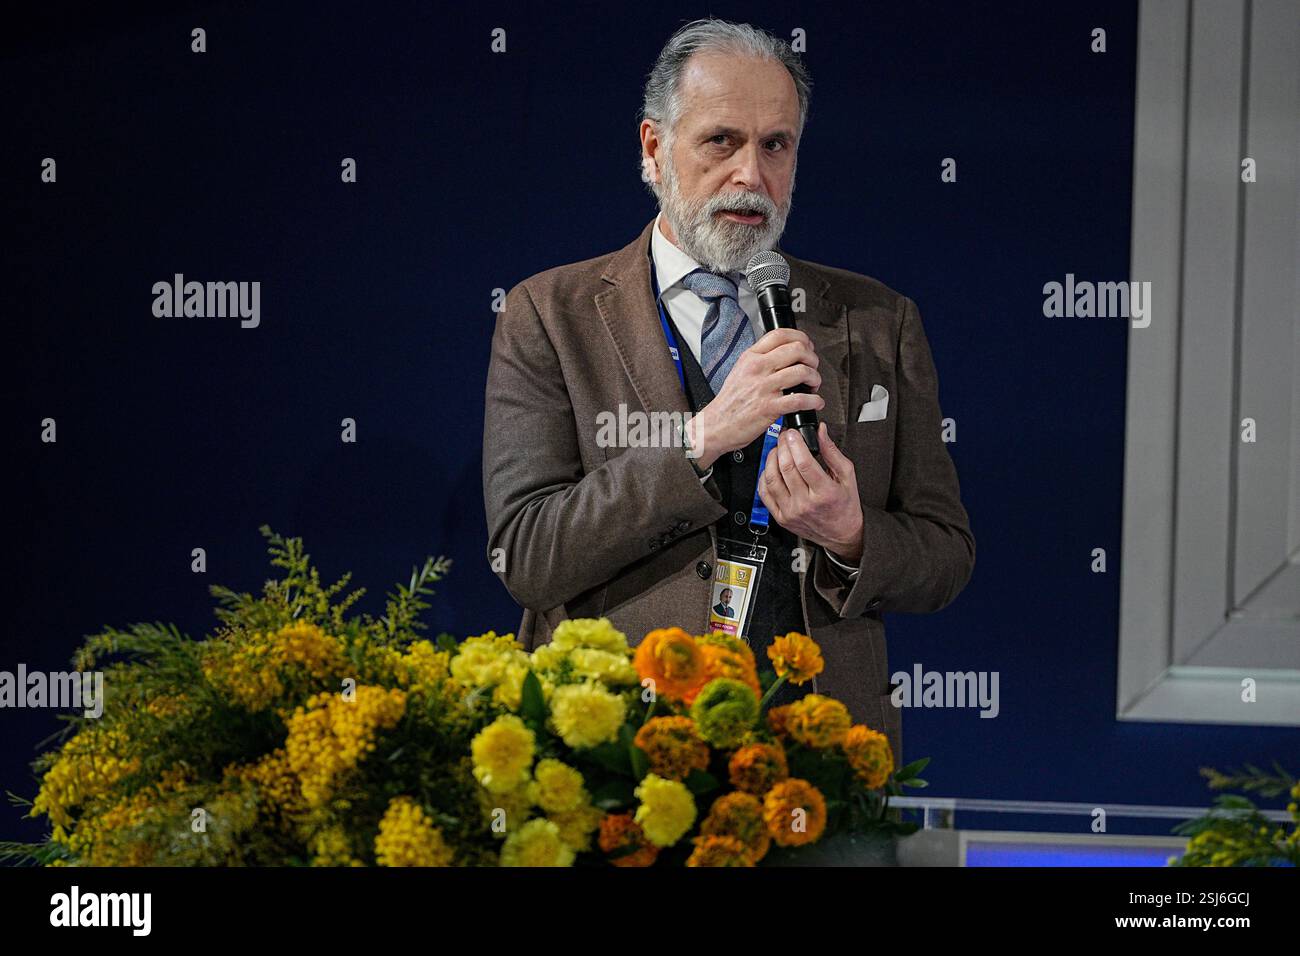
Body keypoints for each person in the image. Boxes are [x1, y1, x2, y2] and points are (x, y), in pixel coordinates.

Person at [483, 18, 974, 760]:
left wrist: (850, 534)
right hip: (616, 760)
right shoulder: (549, 315)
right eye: (722, 141)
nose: (751, 174)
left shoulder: (878, 320)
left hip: (819, 759)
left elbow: (945, 555)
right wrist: (701, 439)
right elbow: (527, 555)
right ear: (654, 148)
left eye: (775, 144)